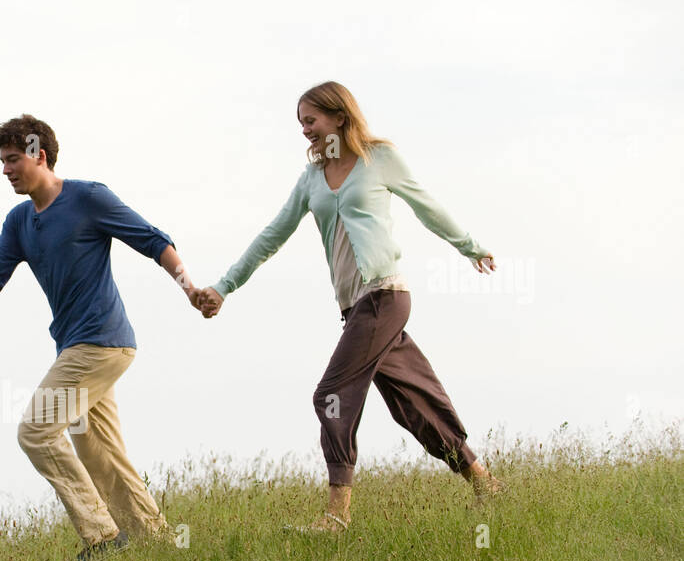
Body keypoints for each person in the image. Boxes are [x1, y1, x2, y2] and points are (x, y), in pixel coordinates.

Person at [196, 81, 503, 532]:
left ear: (339, 116)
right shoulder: (311, 180)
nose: (305, 131)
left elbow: (427, 206)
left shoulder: (379, 160)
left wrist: (471, 247)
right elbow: (271, 237)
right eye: (300, 123)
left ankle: (337, 515)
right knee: (414, 401)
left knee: (331, 396)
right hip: (354, 308)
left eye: (311, 120)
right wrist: (224, 286)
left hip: (384, 296)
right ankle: (483, 482)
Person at [0, 114, 204, 561]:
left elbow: (152, 239)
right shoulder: (20, 222)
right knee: (99, 452)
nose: (5, 169)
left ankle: (101, 536)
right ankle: (157, 545)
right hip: (77, 345)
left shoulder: (88, 198)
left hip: (101, 342)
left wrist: (190, 288)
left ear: (41, 155)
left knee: (36, 430)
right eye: (2, 161)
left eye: (13, 159)